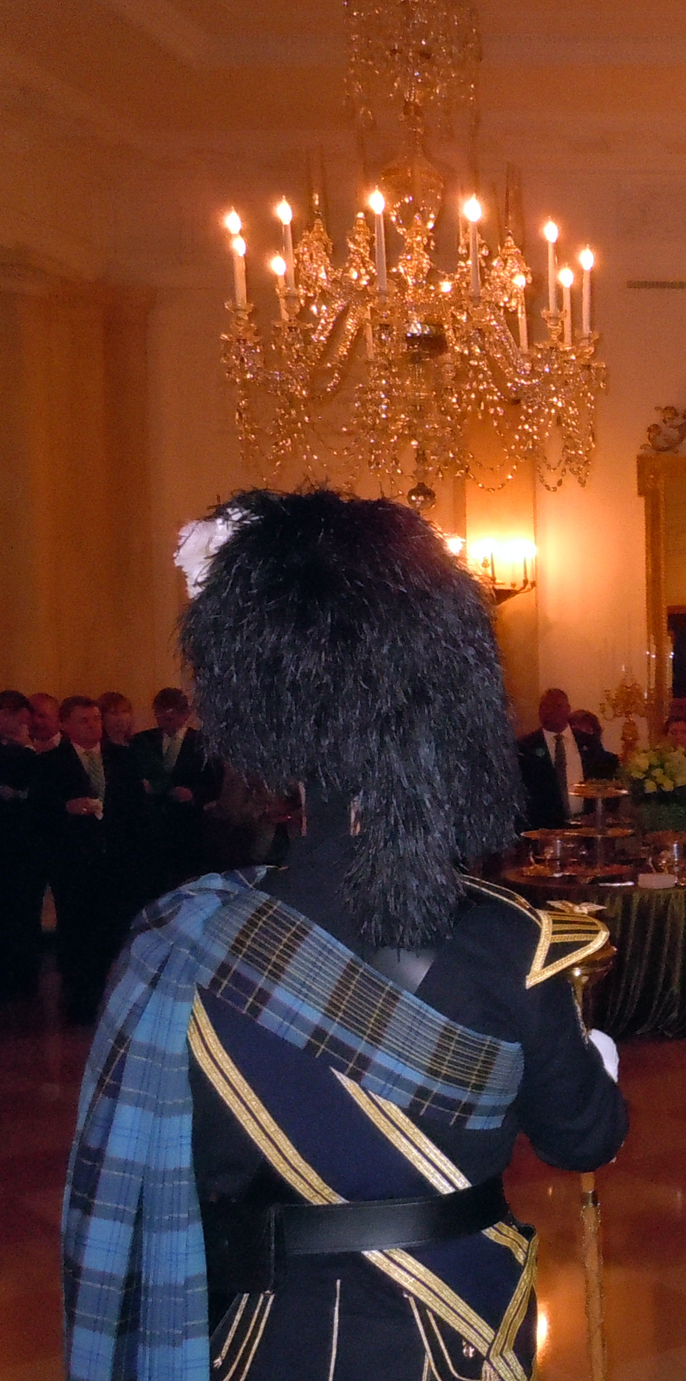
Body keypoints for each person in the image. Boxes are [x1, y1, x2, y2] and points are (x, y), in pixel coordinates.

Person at [63, 487, 627, 1381]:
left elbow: (174, 1169)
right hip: (456, 1340)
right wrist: (594, 1056)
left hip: (254, 1341)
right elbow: (585, 1139)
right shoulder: (511, 944)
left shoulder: (181, 944)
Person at [36, 695, 146, 1024]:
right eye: (83, 720)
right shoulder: (50, 762)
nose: (93, 726)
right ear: (65, 725)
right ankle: (79, 1000)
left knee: (112, 930)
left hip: (116, 861)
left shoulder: (122, 758)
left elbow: (137, 810)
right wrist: (65, 809)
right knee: (76, 930)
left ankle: (111, 996)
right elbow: (38, 813)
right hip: (73, 863)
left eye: (96, 719)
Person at [132, 686, 221, 892]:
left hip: (188, 825)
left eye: (170, 718)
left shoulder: (203, 743)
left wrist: (194, 794)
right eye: (159, 717)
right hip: (151, 825)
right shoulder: (143, 740)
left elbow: (215, 782)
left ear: (185, 715)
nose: (164, 723)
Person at [516, 689, 615, 829]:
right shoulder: (526, 747)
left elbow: (604, 779)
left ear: (568, 709)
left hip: (586, 827)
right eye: (545, 706)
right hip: (545, 828)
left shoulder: (588, 742)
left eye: (557, 706)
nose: (550, 711)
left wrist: (600, 812)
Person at [0, 689, 44, 999]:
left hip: (20, 848)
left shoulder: (21, 752)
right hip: (13, 846)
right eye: (21, 721)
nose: (24, 728)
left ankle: (21, 977)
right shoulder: (21, 753)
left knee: (22, 912)